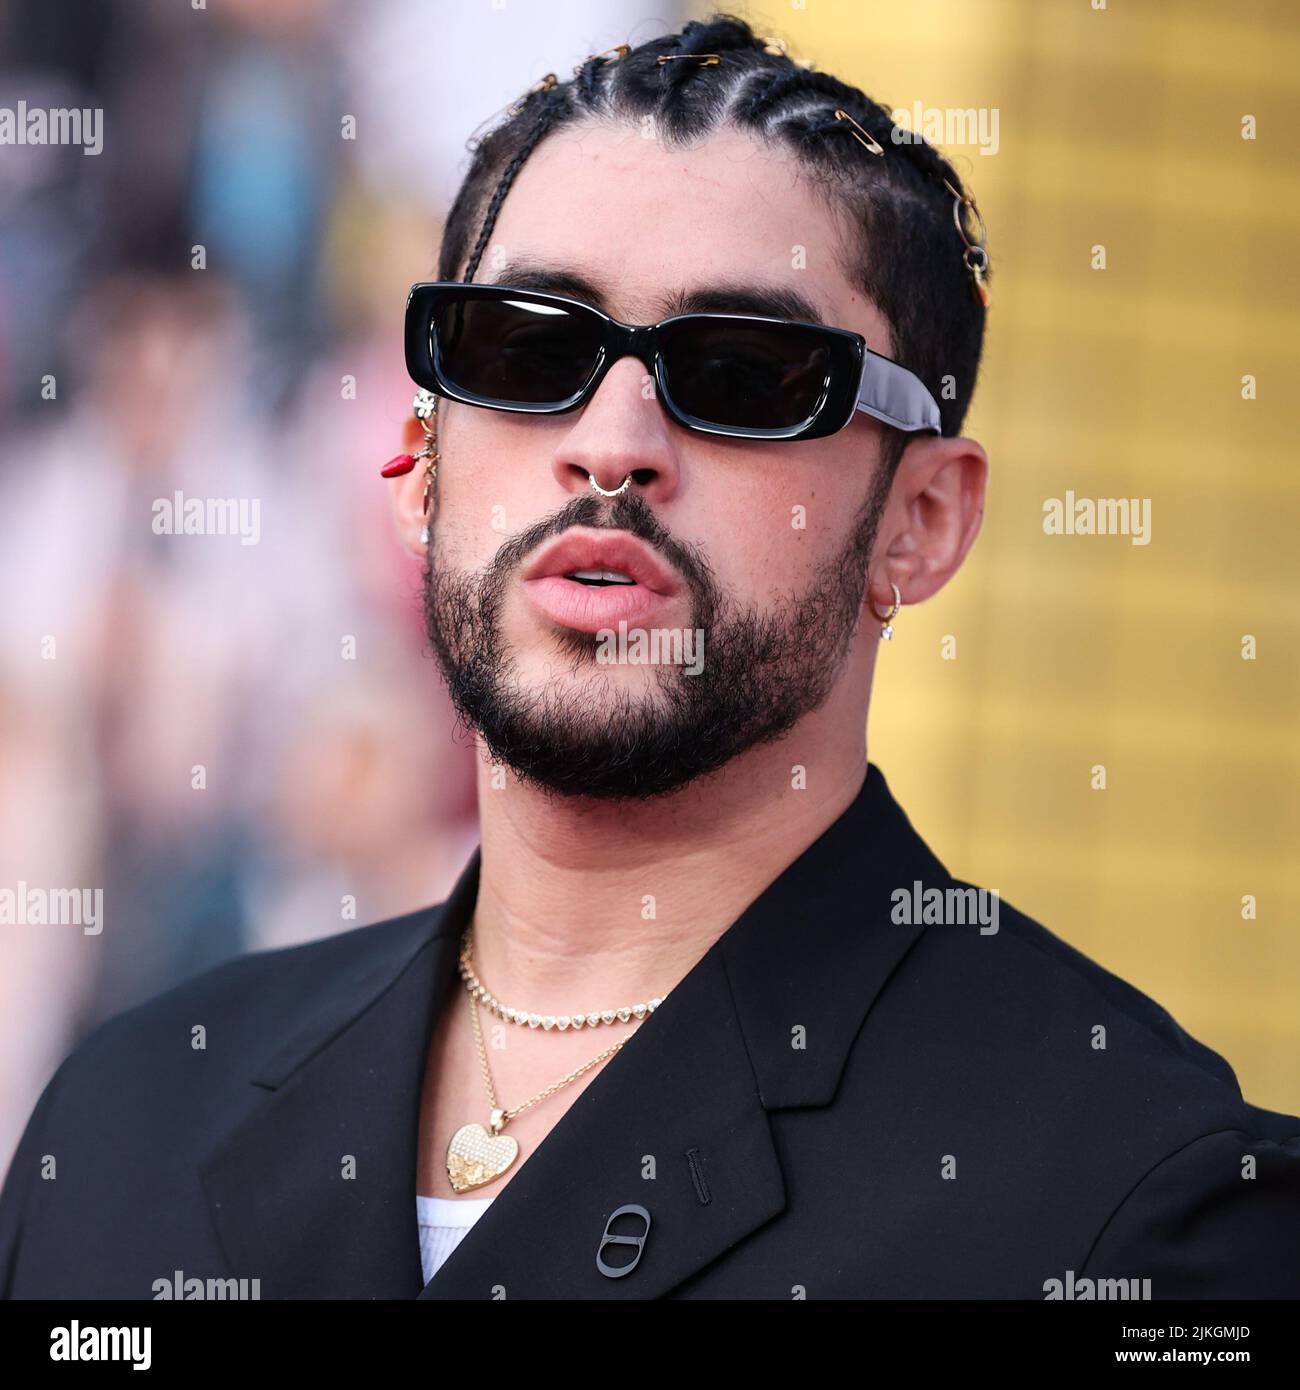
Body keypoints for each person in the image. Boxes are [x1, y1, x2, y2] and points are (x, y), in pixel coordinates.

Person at [2, 14, 1297, 1301]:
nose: (610, 440)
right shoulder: (125, 1123)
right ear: (418, 468)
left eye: (741, 371)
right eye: (529, 350)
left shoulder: (1145, 1217)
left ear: (922, 522)